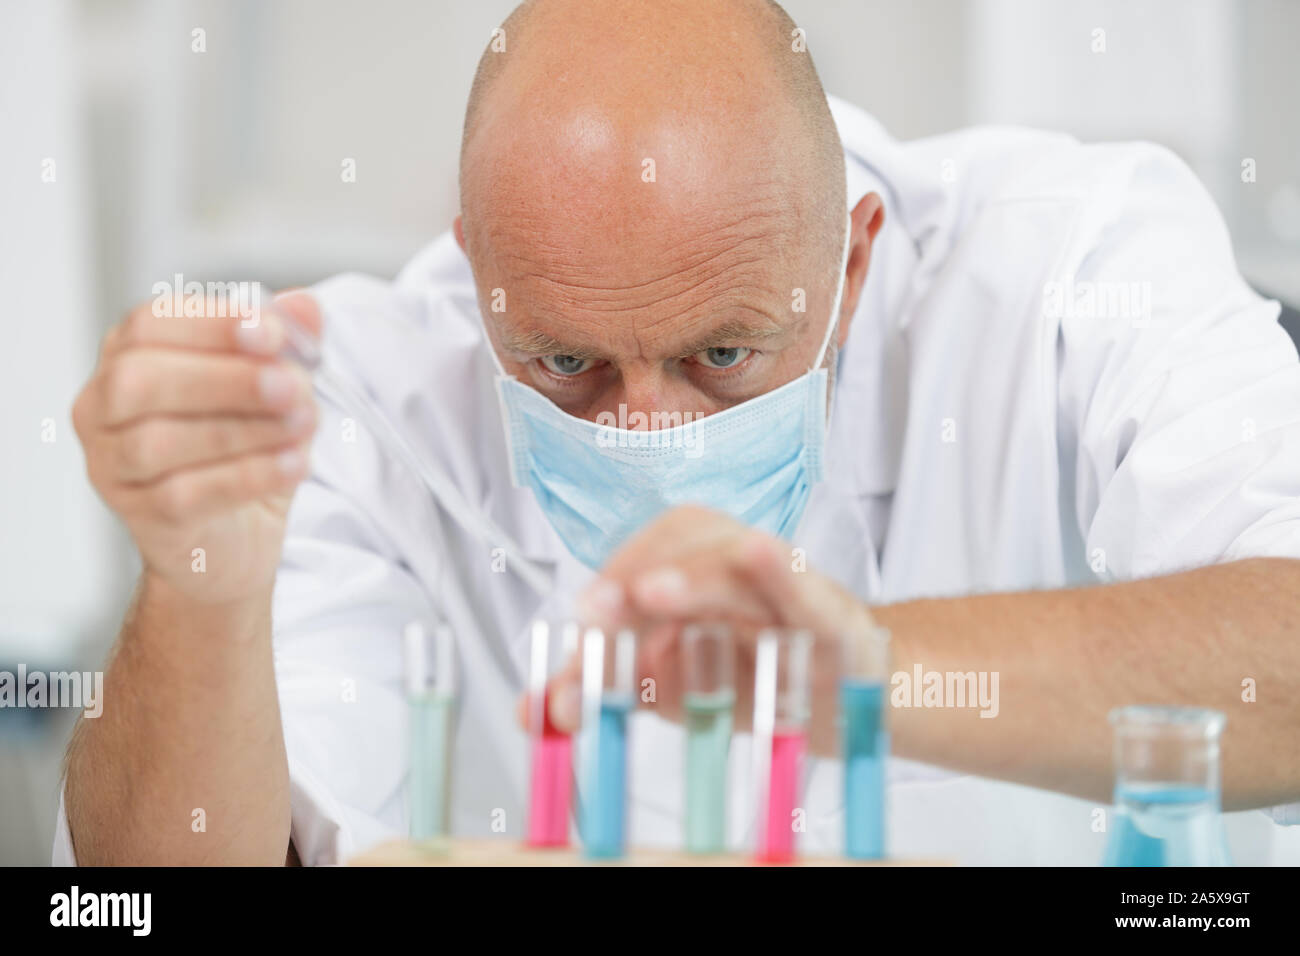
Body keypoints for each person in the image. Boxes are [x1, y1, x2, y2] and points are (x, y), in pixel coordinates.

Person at [58, 0, 1300, 866]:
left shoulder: (1077, 264)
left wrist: (859, 670)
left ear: (853, 261)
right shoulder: (359, 397)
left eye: (720, 354)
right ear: (477, 276)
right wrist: (196, 590)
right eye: (566, 363)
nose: (644, 429)